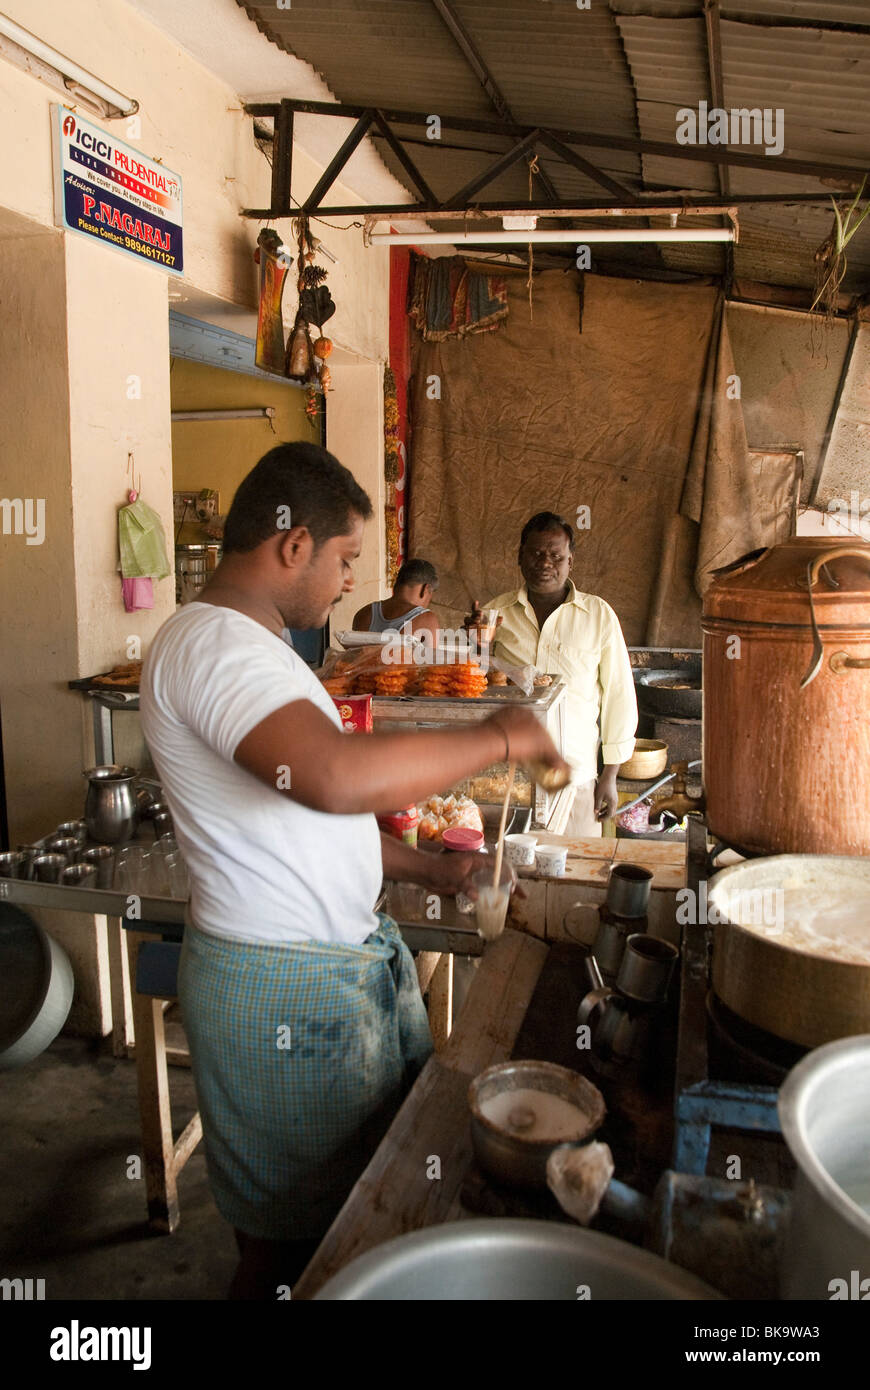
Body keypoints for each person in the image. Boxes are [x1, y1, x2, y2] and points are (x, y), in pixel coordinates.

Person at [140, 443, 566, 1299]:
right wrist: (498, 734)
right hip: (281, 995)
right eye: (344, 560)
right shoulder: (210, 648)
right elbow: (333, 778)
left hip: (328, 970)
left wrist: (430, 872)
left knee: (359, 1214)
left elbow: (307, 810)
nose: (347, 583)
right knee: (286, 1254)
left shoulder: (261, 651)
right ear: (292, 545)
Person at [485, 511, 637, 837]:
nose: (545, 563)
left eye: (556, 556)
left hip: (577, 780)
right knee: (512, 878)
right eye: (536, 554)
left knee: (575, 878)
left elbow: (619, 696)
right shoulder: (494, 613)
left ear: (571, 562)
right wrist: (473, 644)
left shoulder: (598, 615)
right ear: (519, 557)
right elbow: (476, 683)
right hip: (510, 779)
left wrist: (609, 777)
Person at [352, 557, 440, 639]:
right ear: (425, 589)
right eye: (430, 597)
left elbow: (354, 654)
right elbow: (430, 655)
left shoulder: (363, 614)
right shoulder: (427, 619)